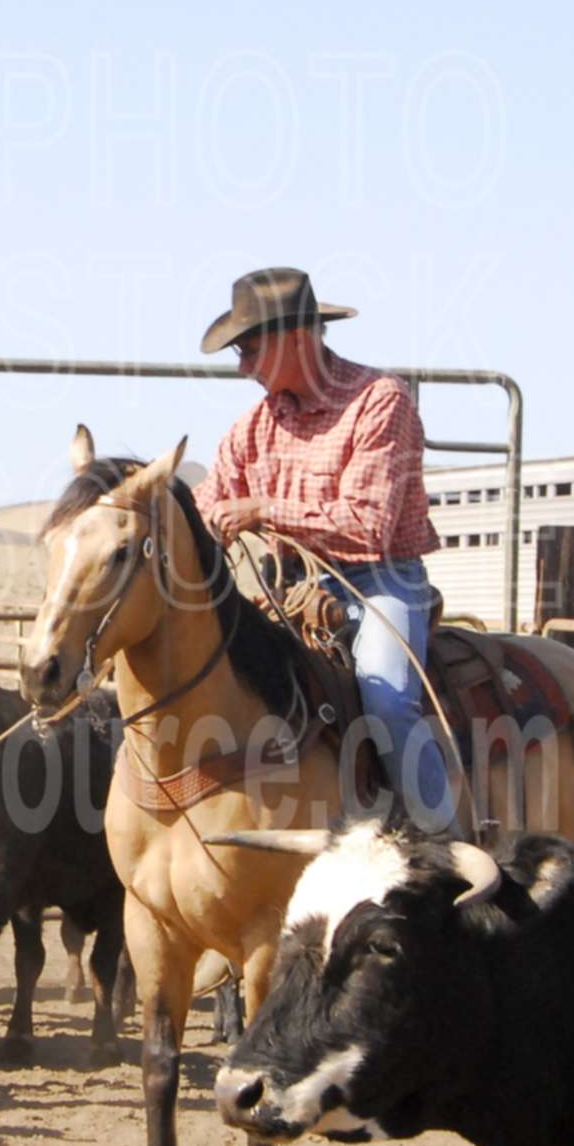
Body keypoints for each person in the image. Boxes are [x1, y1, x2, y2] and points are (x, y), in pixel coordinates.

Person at [189, 267, 452, 831]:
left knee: (386, 702)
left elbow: (368, 525)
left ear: (296, 338)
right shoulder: (253, 427)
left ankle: (442, 846)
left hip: (380, 581)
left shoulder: (380, 402)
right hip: (288, 589)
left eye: (250, 349)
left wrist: (261, 510)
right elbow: (209, 503)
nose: (243, 367)